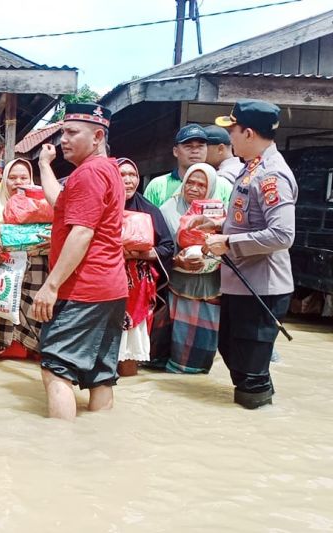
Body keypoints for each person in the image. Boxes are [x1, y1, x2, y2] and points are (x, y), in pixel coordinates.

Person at [33, 103, 127, 421]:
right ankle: (93, 450)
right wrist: (45, 165)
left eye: (72, 133)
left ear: (98, 136)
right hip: (110, 288)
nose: (64, 140)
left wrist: (51, 284)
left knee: (55, 369)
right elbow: (60, 202)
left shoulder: (88, 173)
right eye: (62, 132)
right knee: (100, 374)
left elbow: (82, 233)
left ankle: (59, 454)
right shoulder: (108, 169)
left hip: (82, 288)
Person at [202, 99, 297, 409]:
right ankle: (261, 408)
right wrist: (219, 222)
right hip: (242, 284)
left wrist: (228, 243)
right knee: (232, 350)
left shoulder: (271, 176)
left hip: (261, 287)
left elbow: (282, 234)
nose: (229, 138)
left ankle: (260, 417)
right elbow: (251, 219)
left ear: (249, 133)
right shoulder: (250, 168)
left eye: (233, 131)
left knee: (249, 370)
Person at [0, 158, 48, 359]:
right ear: (4, 181)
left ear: (31, 180)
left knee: (35, 326)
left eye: (24, 177)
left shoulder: (45, 207)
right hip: (2, 277)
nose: (18, 182)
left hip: (36, 277)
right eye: (12, 178)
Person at [157, 163, 223, 374]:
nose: (194, 188)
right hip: (177, 287)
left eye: (201, 185)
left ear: (210, 188)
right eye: (190, 183)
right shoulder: (167, 210)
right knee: (173, 345)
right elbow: (159, 249)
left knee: (200, 354)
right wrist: (177, 262)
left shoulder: (219, 213)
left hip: (210, 288)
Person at [115, 158, 174, 376]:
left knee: (132, 340)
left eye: (132, 175)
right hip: (106, 282)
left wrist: (142, 254)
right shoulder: (102, 207)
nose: (128, 181)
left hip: (138, 290)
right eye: (122, 175)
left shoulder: (150, 210)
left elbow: (168, 246)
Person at [144, 124, 232, 207]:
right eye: (188, 146)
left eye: (200, 146)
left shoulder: (223, 185)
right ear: (175, 151)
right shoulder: (158, 186)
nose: (195, 151)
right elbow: (147, 219)